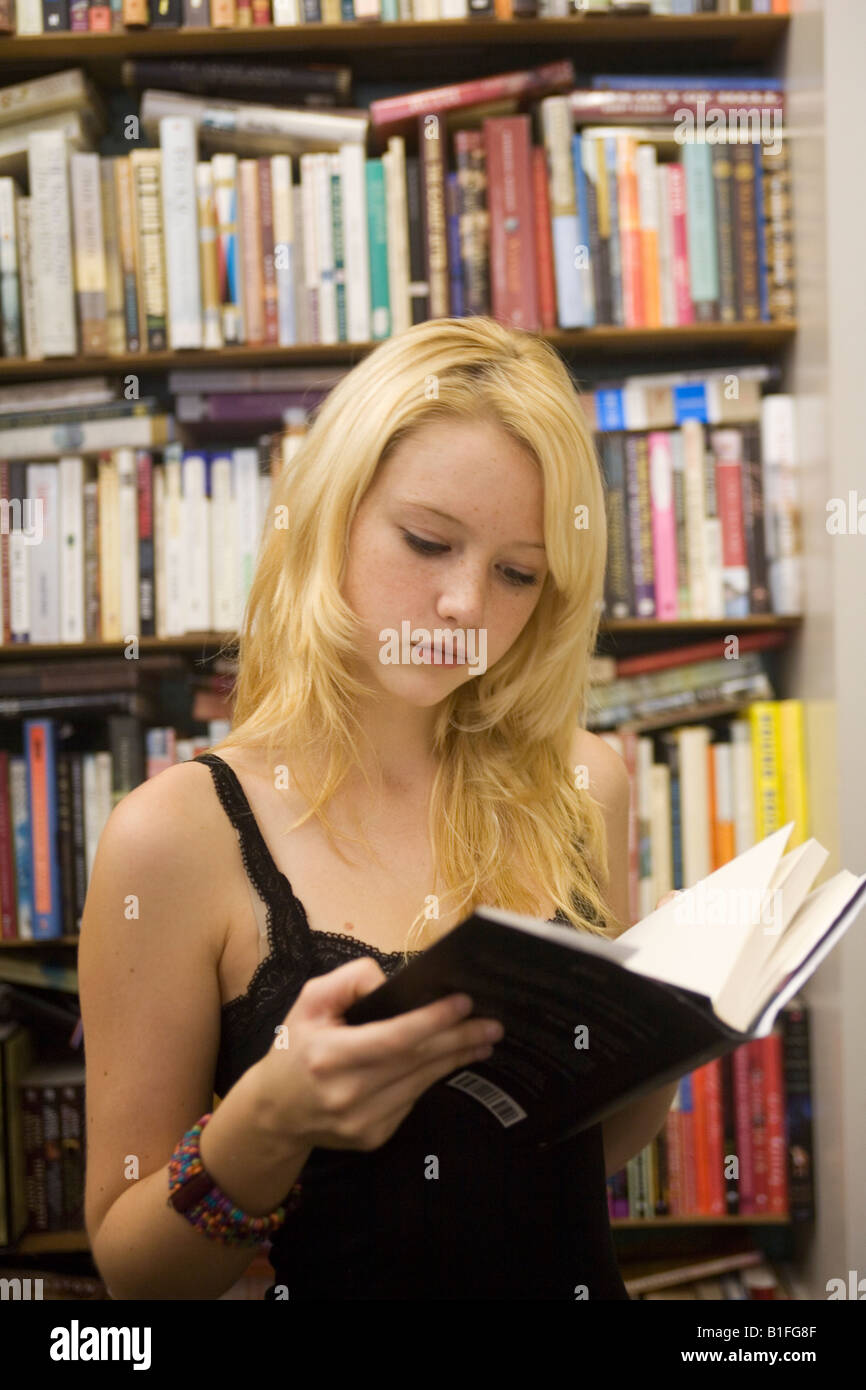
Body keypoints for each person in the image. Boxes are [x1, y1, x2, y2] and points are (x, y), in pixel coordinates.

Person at [79, 315, 677, 1301]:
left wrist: (666, 1034)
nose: (462, 606)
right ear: (330, 515)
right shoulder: (174, 836)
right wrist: (267, 1123)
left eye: (516, 572)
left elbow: (580, 1151)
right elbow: (138, 1276)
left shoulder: (581, 781)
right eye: (427, 541)